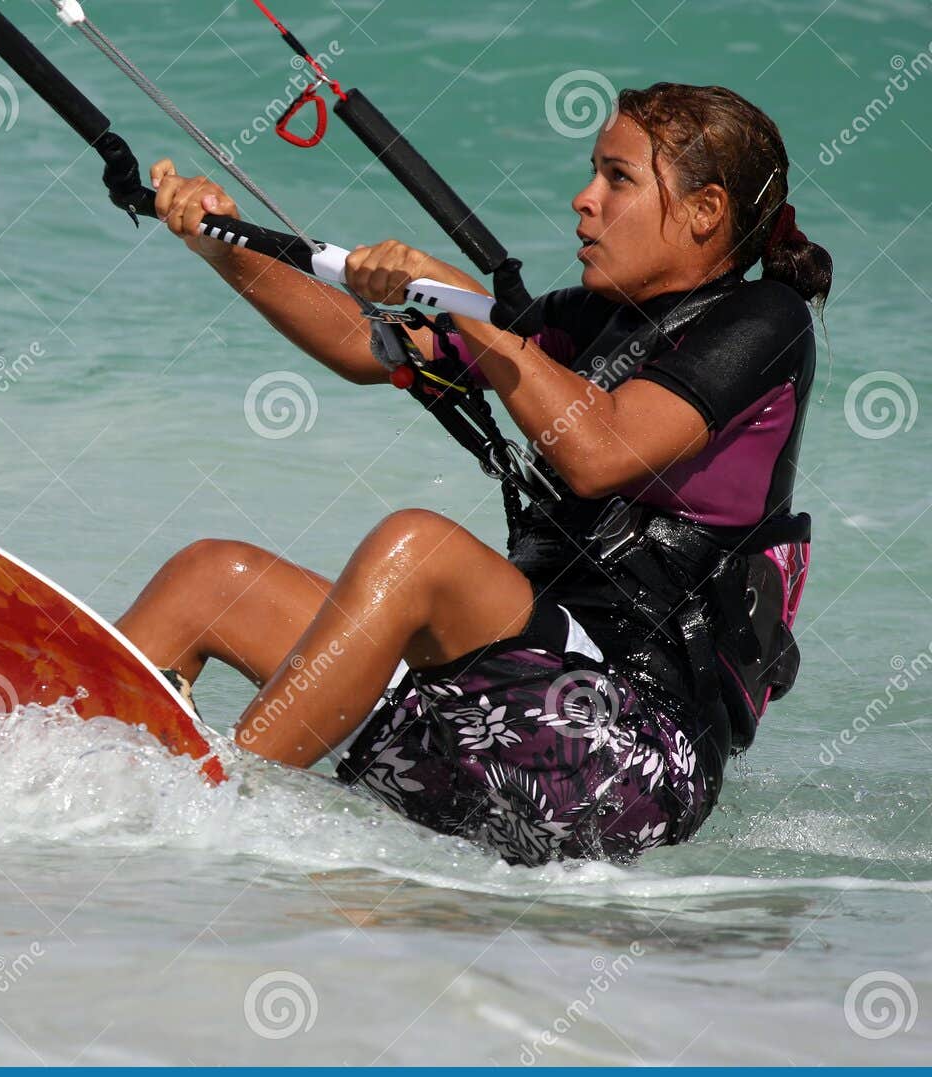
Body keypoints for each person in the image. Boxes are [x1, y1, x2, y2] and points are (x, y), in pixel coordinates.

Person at [115, 83, 832, 866]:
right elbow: (366, 345)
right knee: (211, 580)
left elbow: (600, 453)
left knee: (418, 551)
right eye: (592, 171)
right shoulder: (579, 320)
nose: (583, 199)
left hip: (623, 755)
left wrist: (463, 305)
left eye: (617, 178)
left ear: (705, 211)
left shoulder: (763, 323)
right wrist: (225, 246)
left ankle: (203, 820)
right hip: (487, 711)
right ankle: (52, 787)